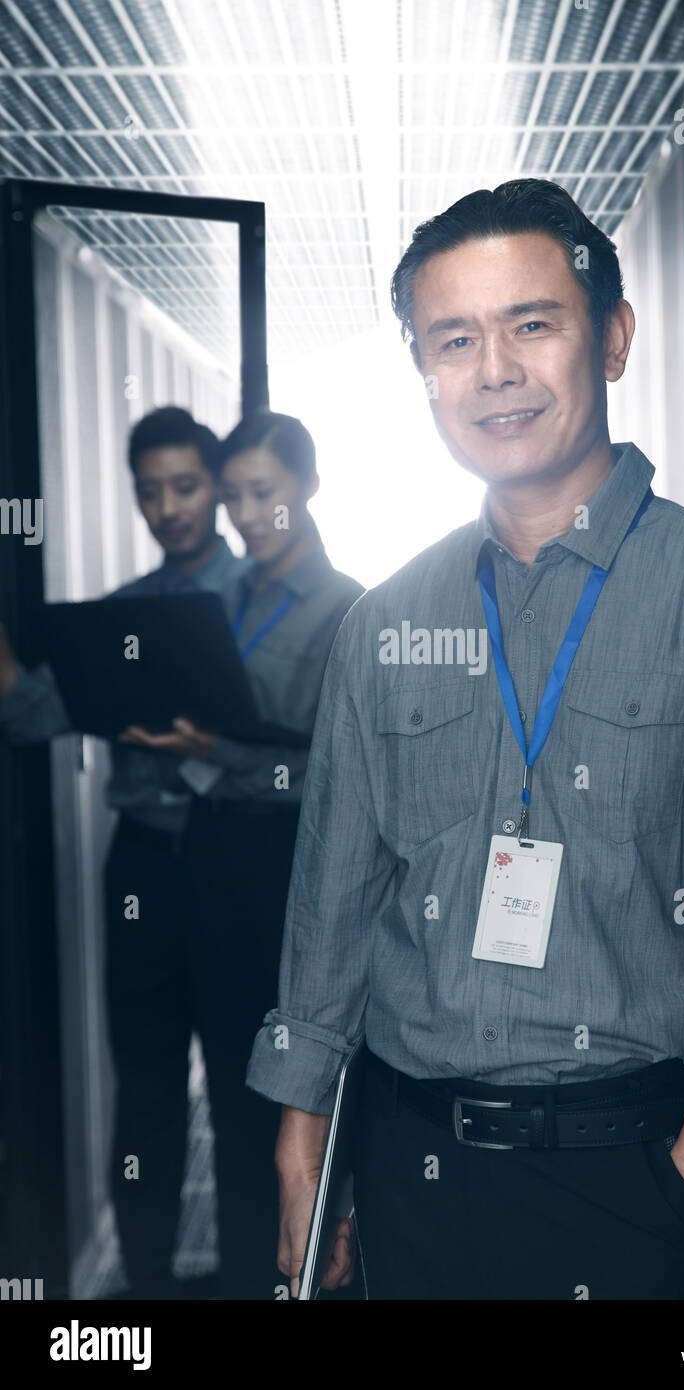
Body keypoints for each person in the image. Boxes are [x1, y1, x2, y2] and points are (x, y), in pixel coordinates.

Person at [245, 179, 684, 1302]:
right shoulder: (384, 622)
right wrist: (304, 1147)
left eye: (532, 323)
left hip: (632, 1171)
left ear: (610, 338)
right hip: (407, 1165)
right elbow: (329, 912)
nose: (492, 371)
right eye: (453, 339)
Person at [0, 405, 249, 1300]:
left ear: (216, 487)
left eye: (185, 486)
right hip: (142, 869)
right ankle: (144, 1296)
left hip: (240, 869)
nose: (169, 507)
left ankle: (252, 1280)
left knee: (240, 1086)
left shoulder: (263, 601)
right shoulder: (114, 621)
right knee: (144, 1089)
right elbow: (29, 717)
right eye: (151, 491)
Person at [123, 410, 364, 1298]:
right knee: (228, 1096)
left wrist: (213, 756)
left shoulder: (350, 609)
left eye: (264, 493)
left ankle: (301, 1280)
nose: (246, 514)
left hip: (291, 881)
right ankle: (238, 1280)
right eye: (232, 498)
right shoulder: (225, 601)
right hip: (219, 876)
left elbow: (330, 782)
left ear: (305, 486)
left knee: (288, 1100)